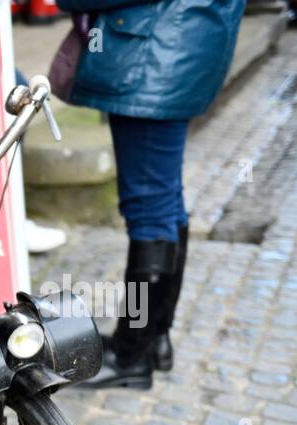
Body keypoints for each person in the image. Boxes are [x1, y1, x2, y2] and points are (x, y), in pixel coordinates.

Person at [59, 0, 246, 389]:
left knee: (150, 212)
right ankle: (155, 337)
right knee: (165, 203)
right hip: (180, 49)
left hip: (153, 59)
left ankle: (130, 353)